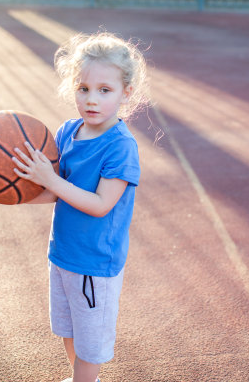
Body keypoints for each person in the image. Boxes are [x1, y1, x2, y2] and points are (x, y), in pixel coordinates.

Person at [11, 31, 149, 382]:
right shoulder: (68, 131)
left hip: (94, 265)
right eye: (83, 88)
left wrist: (53, 181)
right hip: (62, 255)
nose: (92, 99)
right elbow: (56, 191)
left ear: (125, 93)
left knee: (90, 348)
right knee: (68, 331)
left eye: (105, 90)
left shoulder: (120, 147)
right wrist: (15, 192)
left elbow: (102, 204)